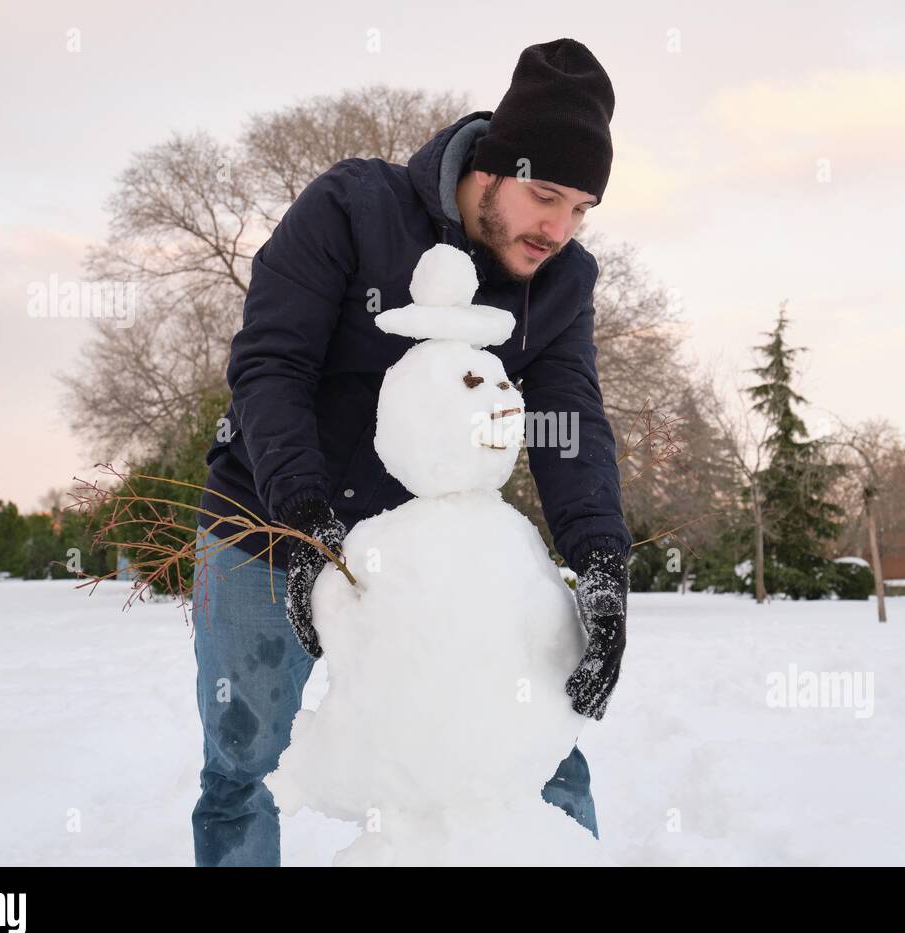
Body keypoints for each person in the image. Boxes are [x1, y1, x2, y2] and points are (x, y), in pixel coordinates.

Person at [191, 37, 631, 867]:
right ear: (492, 169)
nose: (559, 229)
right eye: (546, 196)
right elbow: (272, 364)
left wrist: (602, 564)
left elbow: (569, 420)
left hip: (432, 559)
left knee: (533, 753)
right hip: (269, 530)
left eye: (581, 209)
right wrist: (306, 528)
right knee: (244, 765)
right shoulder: (354, 207)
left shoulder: (564, 280)